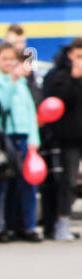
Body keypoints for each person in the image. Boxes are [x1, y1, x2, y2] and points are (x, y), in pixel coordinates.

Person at [0, 41, 43, 242]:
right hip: (3, 137)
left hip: (23, 136)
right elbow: (1, 104)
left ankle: (28, 226)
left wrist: (34, 139)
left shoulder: (23, 83)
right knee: (0, 183)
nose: (9, 63)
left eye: (12, 59)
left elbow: (29, 111)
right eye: (4, 59)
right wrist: (11, 79)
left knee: (27, 184)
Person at [40, 37, 82, 241]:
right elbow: (56, 102)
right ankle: (61, 223)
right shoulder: (58, 76)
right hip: (68, 138)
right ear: (70, 55)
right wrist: (74, 79)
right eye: (79, 56)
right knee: (68, 182)